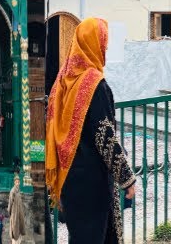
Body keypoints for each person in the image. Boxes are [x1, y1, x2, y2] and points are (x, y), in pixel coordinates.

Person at [47, 17, 134, 244]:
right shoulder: (94, 86)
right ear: (94, 44)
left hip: (69, 182)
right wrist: (127, 179)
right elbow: (105, 137)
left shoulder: (62, 83)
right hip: (93, 185)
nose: (105, 48)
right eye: (103, 42)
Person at [7, 174, 27, 244]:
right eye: (16, 182)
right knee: (14, 227)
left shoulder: (18, 190)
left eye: (18, 182)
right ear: (14, 182)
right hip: (14, 212)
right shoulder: (12, 191)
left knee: (20, 226)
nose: (17, 183)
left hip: (19, 212)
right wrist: (10, 212)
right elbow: (10, 202)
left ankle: (18, 241)